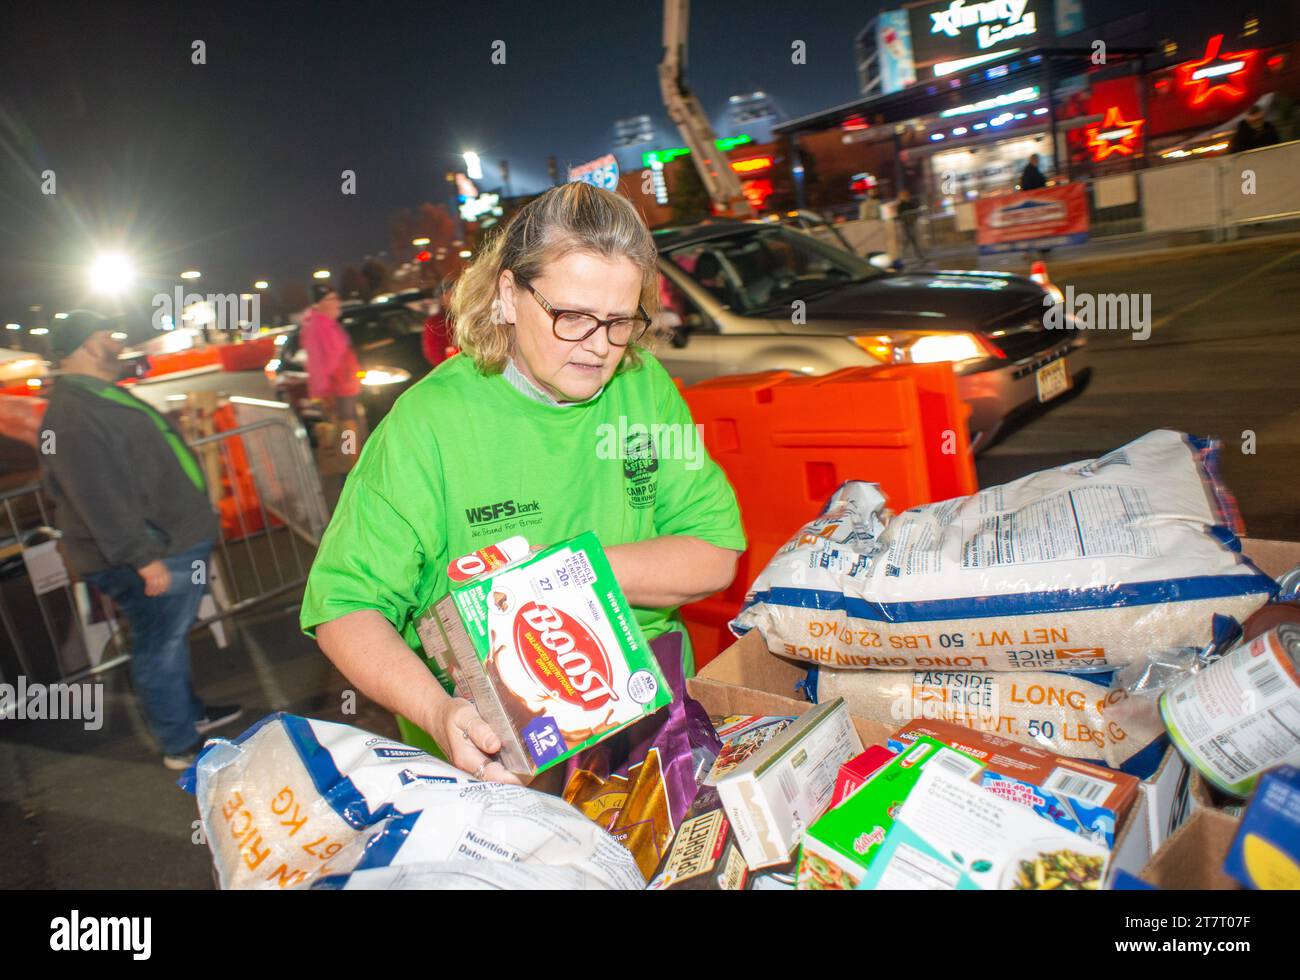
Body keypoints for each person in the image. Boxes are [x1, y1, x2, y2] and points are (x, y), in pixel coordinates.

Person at [300, 182, 746, 784]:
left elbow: (714, 554)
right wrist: (438, 712)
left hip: (653, 724)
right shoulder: (427, 426)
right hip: (496, 748)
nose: (599, 347)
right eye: (571, 317)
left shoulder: (644, 387)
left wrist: (559, 580)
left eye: (619, 321)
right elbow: (346, 609)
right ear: (508, 295)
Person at [39, 311, 240, 769]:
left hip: (164, 542)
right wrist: (141, 558)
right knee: (159, 644)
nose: (116, 341)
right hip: (151, 552)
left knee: (168, 639)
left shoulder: (90, 397)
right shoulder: (73, 413)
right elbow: (97, 497)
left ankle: (188, 716)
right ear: (89, 345)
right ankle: (178, 742)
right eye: (107, 334)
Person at [895, 188, 926, 264]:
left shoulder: (910, 203)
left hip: (911, 224)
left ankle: (916, 256)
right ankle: (906, 256)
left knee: (911, 240)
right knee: (909, 241)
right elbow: (900, 214)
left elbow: (915, 211)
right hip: (906, 225)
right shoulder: (901, 205)